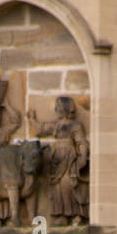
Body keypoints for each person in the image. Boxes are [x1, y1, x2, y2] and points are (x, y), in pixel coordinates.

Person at [27, 95, 89, 224]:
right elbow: (41, 130)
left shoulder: (75, 125)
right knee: (57, 188)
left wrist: (82, 157)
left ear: (64, 109)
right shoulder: (56, 125)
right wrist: (32, 119)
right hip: (56, 157)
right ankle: (61, 214)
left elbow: (81, 142)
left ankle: (76, 214)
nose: (56, 110)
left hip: (69, 157)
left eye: (58, 107)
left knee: (69, 184)